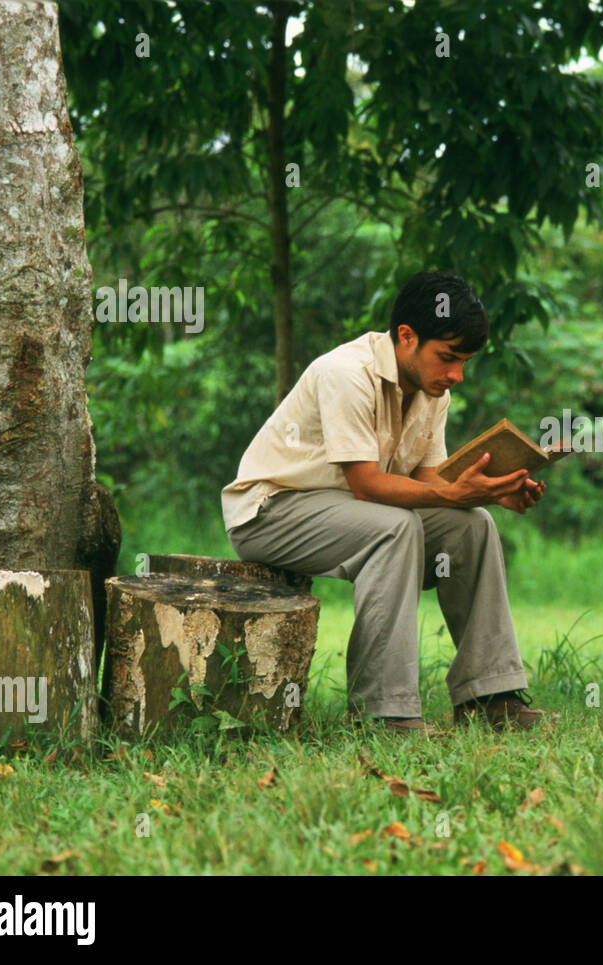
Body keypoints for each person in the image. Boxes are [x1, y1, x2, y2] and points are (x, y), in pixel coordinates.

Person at [220, 271, 552, 737]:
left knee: (471, 525)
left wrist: (492, 491)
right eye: (448, 358)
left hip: (351, 513)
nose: (456, 374)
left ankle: (490, 697)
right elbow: (367, 485)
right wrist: (453, 493)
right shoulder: (346, 374)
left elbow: (427, 480)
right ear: (406, 336)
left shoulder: (434, 390)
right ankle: (383, 712)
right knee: (395, 527)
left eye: (465, 362)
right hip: (270, 513)